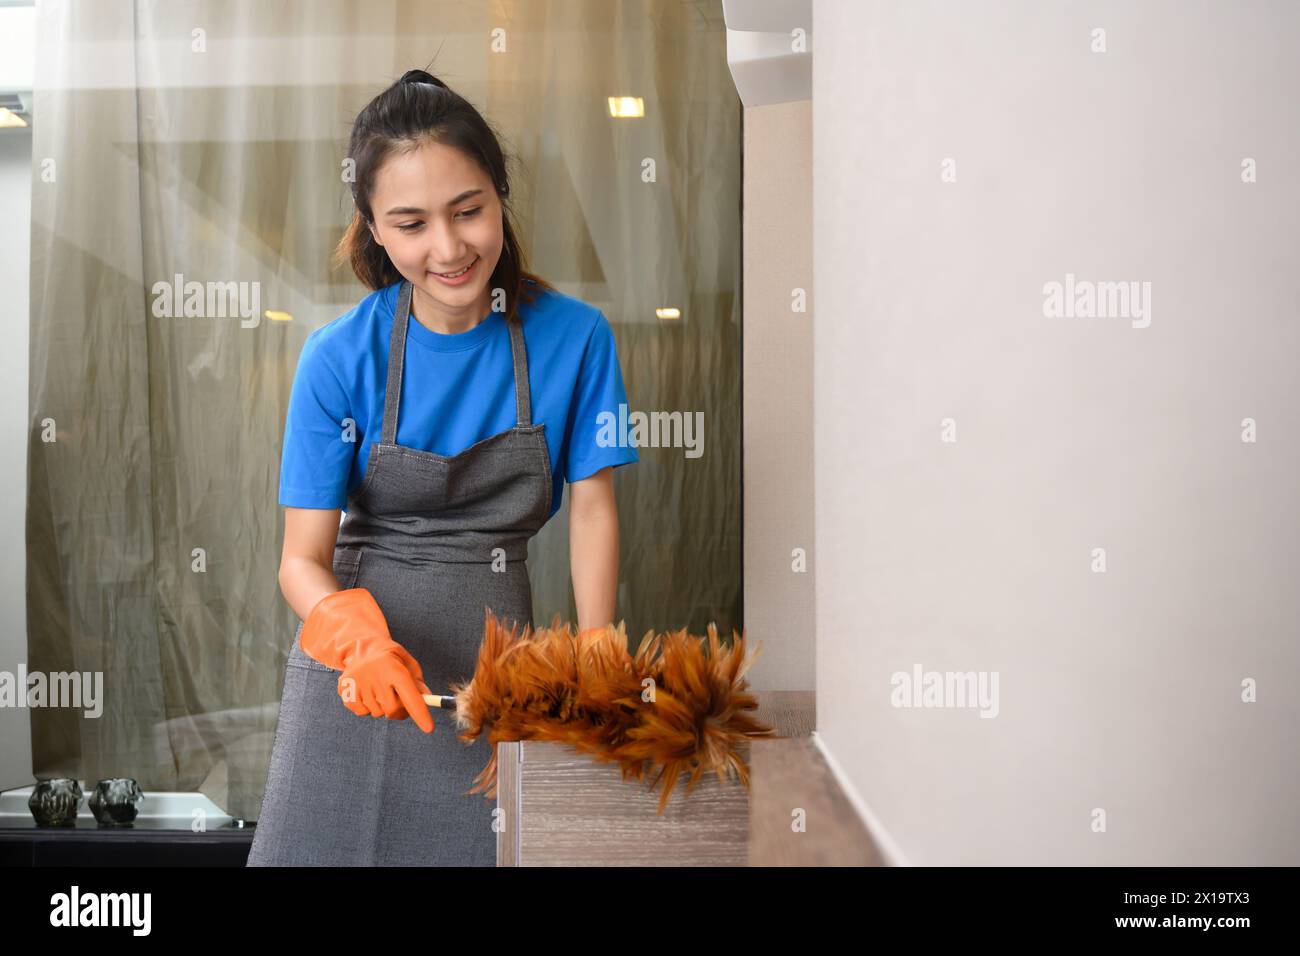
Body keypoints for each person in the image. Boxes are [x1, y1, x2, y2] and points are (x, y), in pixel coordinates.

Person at [246, 68, 639, 866]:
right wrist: (353, 640)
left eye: (469, 211)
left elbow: (594, 507)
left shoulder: (576, 338)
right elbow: (301, 561)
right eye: (412, 223)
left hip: (496, 682)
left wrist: (599, 660)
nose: (450, 248)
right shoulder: (338, 358)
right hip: (358, 686)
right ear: (374, 230)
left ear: (500, 196)